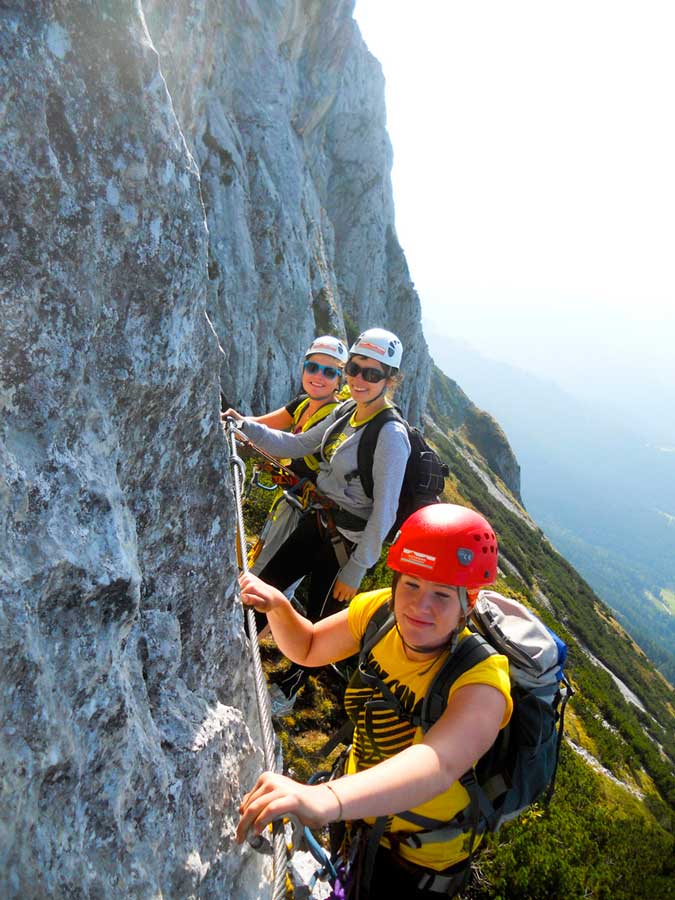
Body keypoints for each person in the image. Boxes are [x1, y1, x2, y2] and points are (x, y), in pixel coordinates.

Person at [235, 504, 512, 899]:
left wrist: (325, 798)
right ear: (396, 580)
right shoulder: (381, 612)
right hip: (355, 812)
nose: (420, 606)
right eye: (412, 584)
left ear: (468, 603)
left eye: (442, 595)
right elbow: (311, 645)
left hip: (417, 860)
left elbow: (438, 763)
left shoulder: (481, 681)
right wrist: (280, 607)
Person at [224, 328, 410, 714]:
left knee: (319, 623)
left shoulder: (391, 436)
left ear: (390, 380)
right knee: (263, 588)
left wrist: (356, 569)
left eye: (372, 374)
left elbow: (385, 511)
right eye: (355, 369)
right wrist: (244, 426)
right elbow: (298, 445)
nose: (359, 379)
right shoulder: (345, 412)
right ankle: (231, 659)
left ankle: (288, 691)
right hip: (317, 521)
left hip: (345, 547)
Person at [247, 335, 350, 579]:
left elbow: (291, 445)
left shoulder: (335, 417)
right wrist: (223, 418)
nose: (318, 377)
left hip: (307, 516)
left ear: (339, 380)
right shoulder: (302, 404)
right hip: (289, 502)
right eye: (312, 368)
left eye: (329, 372)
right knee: (263, 566)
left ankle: (247, 617)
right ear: (304, 369)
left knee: (266, 575)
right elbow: (259, 425)